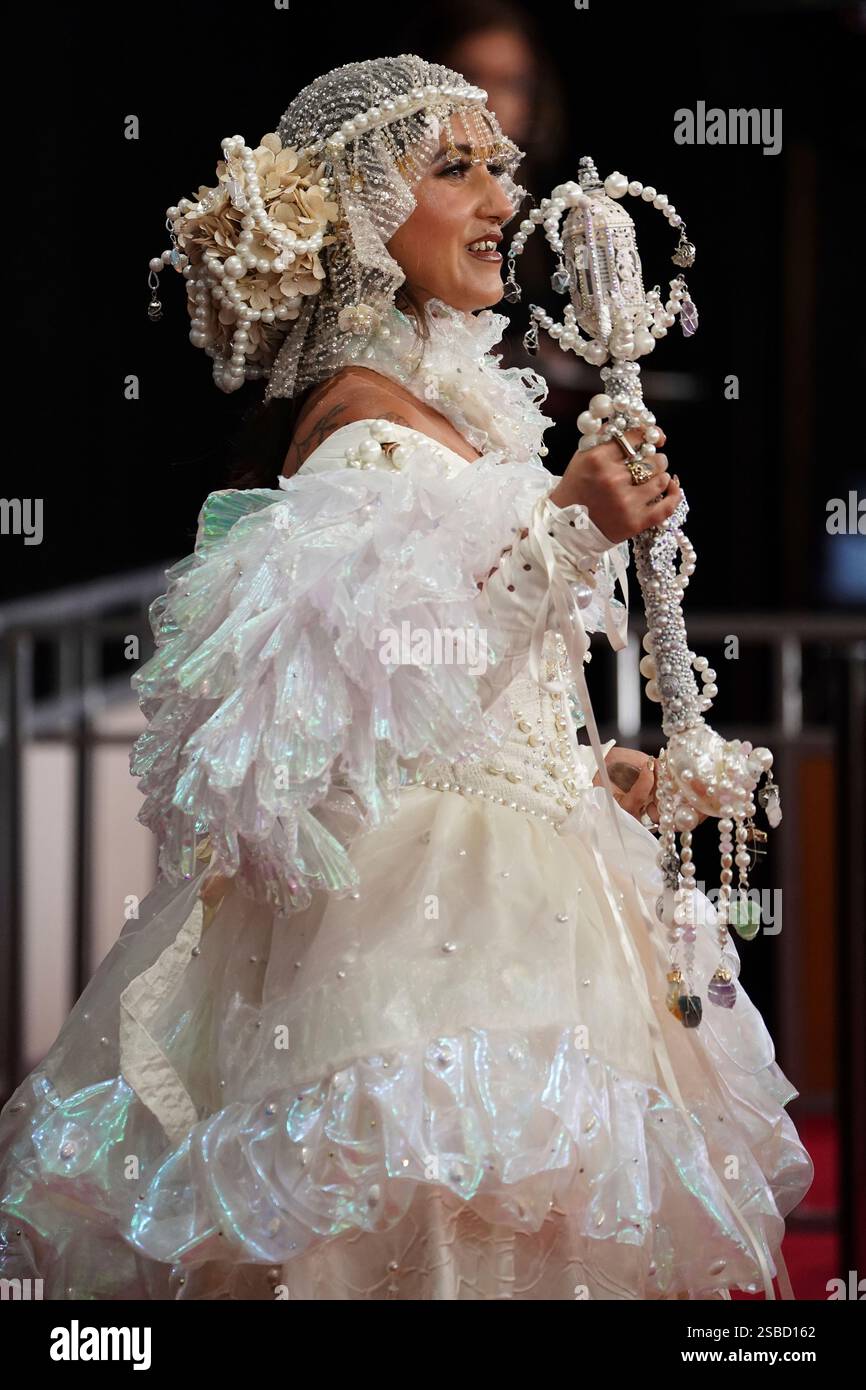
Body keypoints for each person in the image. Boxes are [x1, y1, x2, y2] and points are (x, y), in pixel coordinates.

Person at [0, 55, 812, 1301]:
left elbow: (450, 695)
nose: (501, 196)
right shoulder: (359, 424)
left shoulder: (458, 418)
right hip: (427, 926)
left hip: (537, 877)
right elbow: (348, 693)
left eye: (502, 166)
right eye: (457, 168)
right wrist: (571, 531)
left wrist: (585, 763)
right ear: (366, 217)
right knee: (439, 1202)